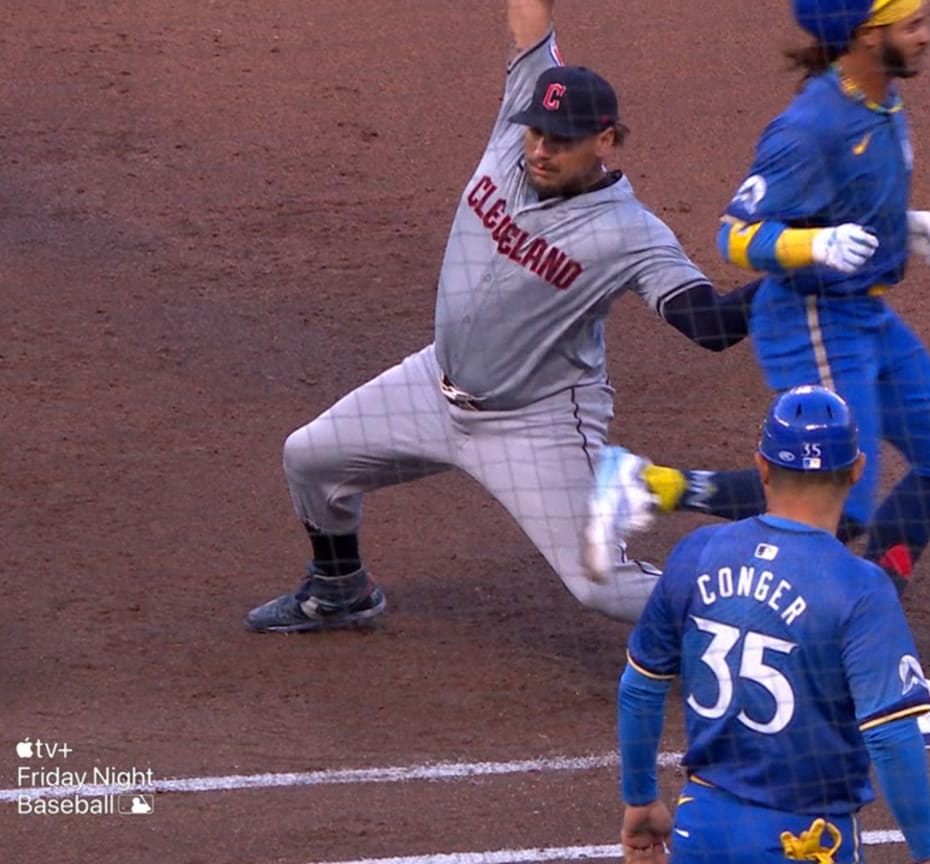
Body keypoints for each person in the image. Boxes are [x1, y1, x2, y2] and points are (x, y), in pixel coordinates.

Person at [245, 0, 760, 633]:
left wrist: (800, 277)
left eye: (562, 140)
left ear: (604, 140)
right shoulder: (518, 135)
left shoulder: (630, 233)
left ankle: (758, 619)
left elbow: (710, 326)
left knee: (600, 586)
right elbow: (528, 20)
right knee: (309, 459)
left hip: (533, 422)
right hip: (432, 388)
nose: (541, 150)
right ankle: (341, 588)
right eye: (536, 132)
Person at [587, 0, 930, 599]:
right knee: (837, 498)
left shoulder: (883, 100)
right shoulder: (811, 126)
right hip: (812, 317)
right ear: (867, 36)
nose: (926, 36)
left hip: (865, 313)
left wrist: (902, 228)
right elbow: (736, 235)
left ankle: (875, 595)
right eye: (911, 25)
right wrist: (815, 245)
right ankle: (650, 486)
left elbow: (849, 198)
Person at [617, 385, 930, 864]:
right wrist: (928, 854)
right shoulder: (859, 587)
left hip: (702, 826)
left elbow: (640, 689)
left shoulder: (697, 552)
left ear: (763, 466)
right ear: (857, 470)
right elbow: (890, 736)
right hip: (804, 840)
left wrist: (641, 798)